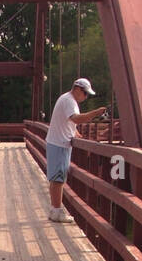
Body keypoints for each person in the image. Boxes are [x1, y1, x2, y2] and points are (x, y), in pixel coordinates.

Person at [44, 77, 106, 222]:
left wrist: (76, 133)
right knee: (58, 179)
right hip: (60, 143)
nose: (85, 97)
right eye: (85, 93)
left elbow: (69, 122)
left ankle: (54, 210)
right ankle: (57, 211)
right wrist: (95, 113)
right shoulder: (69, 101)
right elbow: (76, 119)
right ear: (77, 89)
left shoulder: (67, 99)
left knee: (55, 179)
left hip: (57, 142)